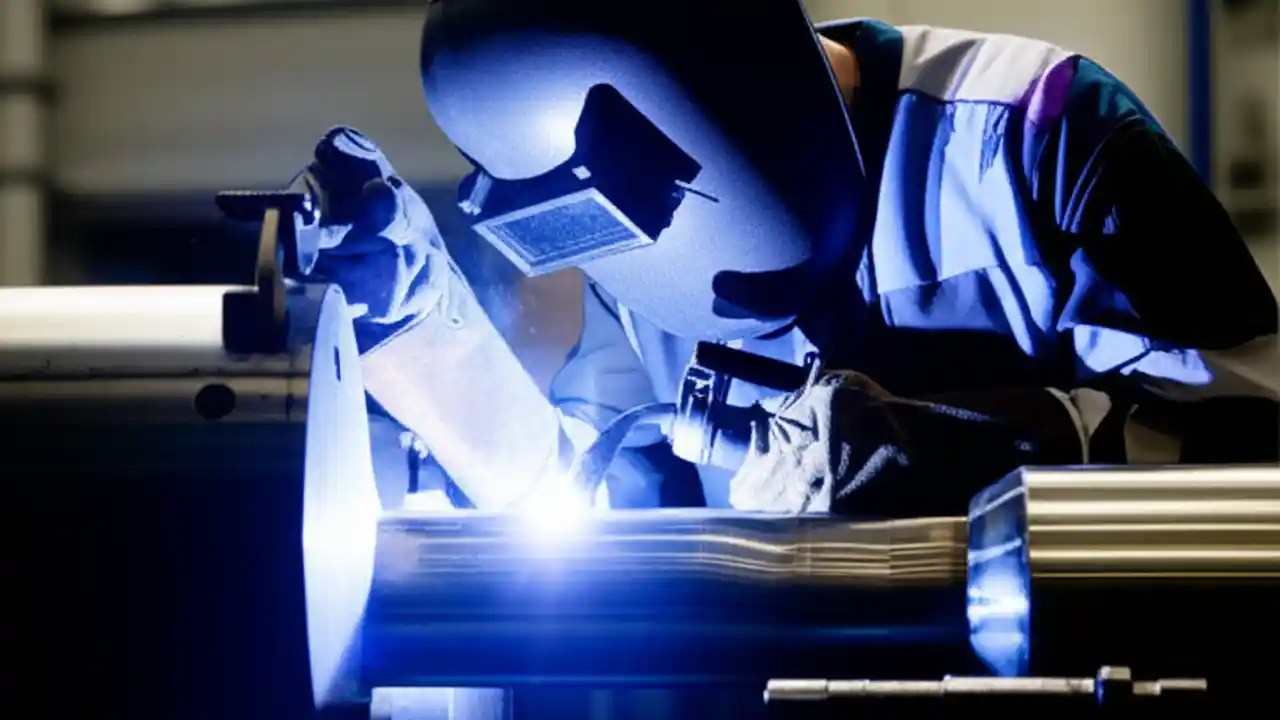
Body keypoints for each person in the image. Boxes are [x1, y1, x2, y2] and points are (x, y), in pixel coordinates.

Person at [294, 2, 1278, 516]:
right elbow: (590, 499)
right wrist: (426, 346)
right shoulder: (629, 240)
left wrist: (982, 451)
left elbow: (1251, 466)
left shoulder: (1032, 130)